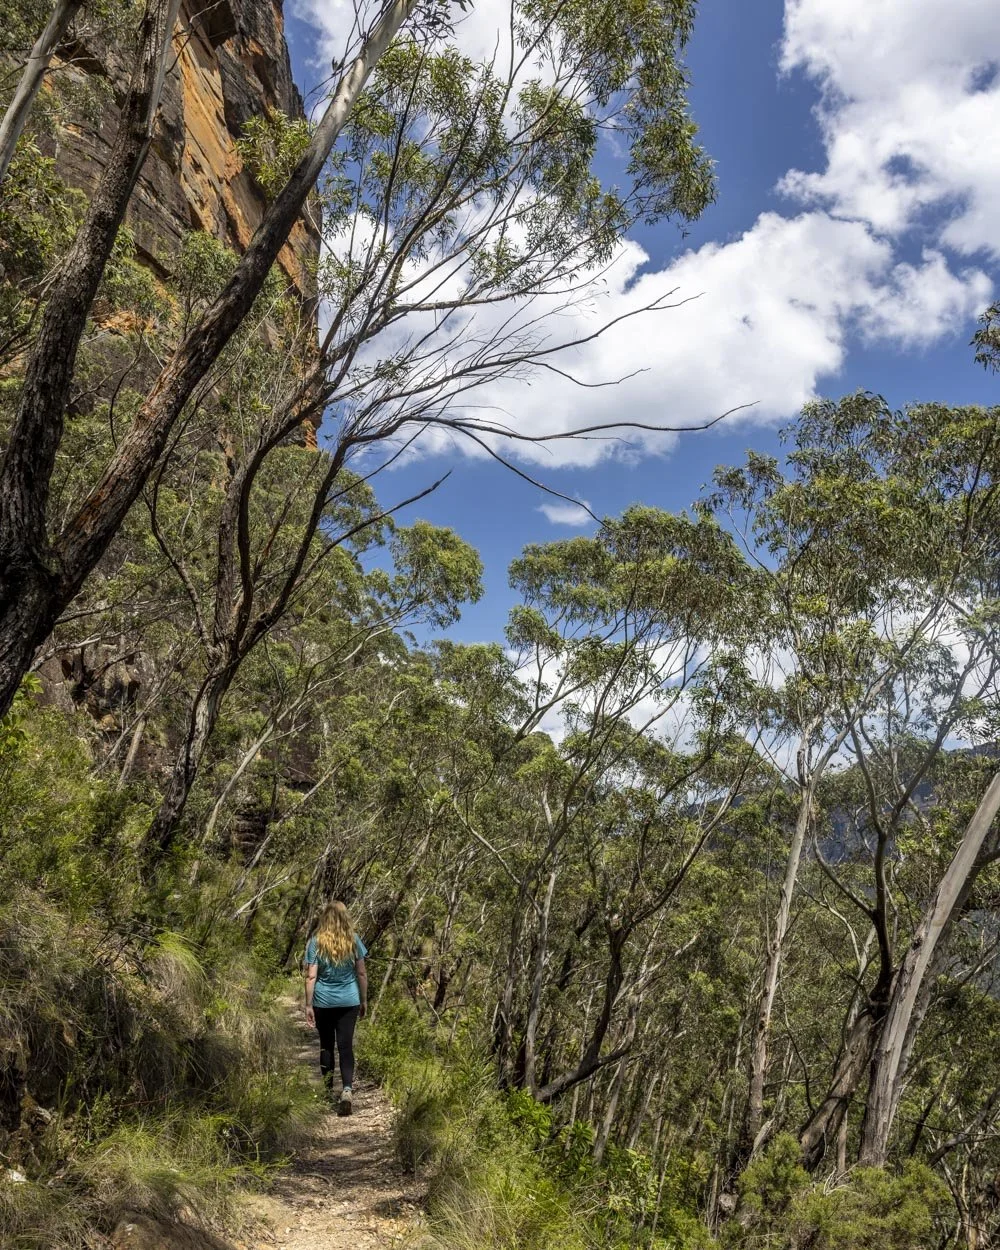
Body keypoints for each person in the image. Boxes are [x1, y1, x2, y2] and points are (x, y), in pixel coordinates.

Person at [304, 900, 368, 1114]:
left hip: (323, 1001)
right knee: (346, 1046)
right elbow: (361, 973)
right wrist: (364, 999)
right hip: (349, 1001)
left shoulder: (316, 942)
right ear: (345, 918)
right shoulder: (353, 941)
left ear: (326, 918)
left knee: (326, 1045)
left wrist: (308, 1004)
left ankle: (327, 1091)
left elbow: (311, 976)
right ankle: (347, 1089)